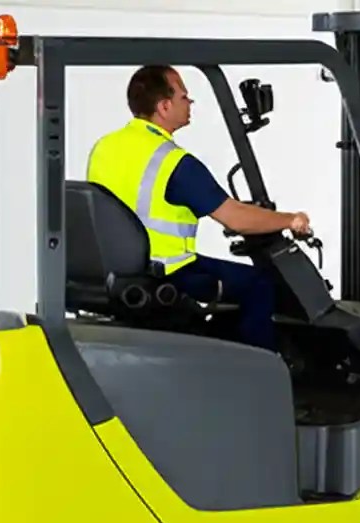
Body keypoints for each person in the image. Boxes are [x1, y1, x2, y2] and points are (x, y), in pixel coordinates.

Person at [86, 65, 311, 351]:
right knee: (258, 285)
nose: (190, 103)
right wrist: (290, 220)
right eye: (183, 96)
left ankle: (222, 349)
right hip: (168, 272)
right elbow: (236, 218)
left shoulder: (105, 147)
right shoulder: (172, 162)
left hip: (116, 268)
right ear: (164, 106)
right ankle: (261, 374)